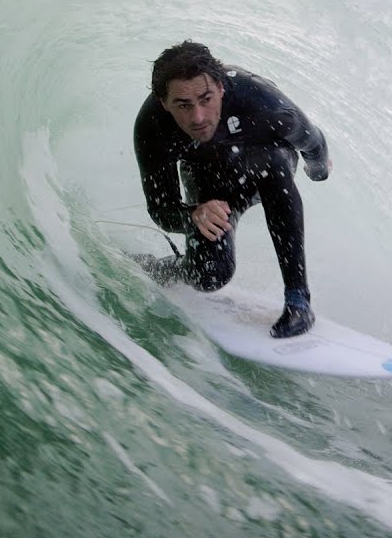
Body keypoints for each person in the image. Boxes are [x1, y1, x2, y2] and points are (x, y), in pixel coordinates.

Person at [132, 40, 331, 338]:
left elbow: (313, 141)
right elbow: (161, 209)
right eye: (183, 106)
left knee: (273, 162)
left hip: (263, 170)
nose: (198, 117)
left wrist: (318, 171)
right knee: (210, 276)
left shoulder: (263, 102)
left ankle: (298, 300)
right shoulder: (152, 126)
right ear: (164, 102)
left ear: (221, 88)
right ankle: (169, 268)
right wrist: (193, 215)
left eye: (206, 99)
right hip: (207, 183)